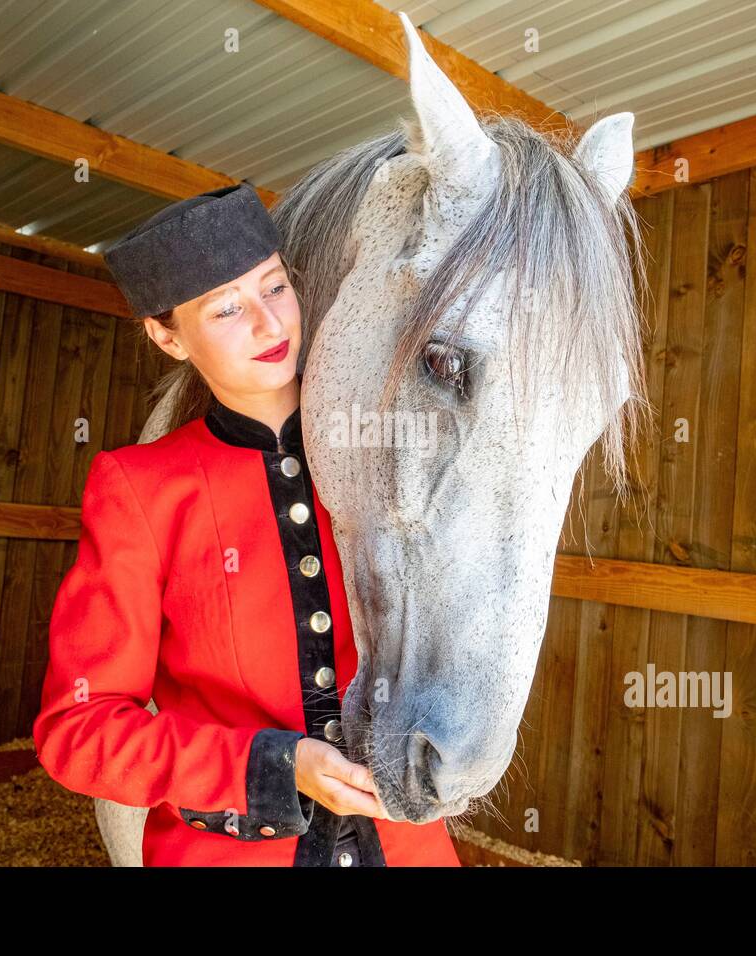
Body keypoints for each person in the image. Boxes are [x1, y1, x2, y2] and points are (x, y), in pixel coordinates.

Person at [32, 183, 460, 866]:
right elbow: (77, 732)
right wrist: (274, 763)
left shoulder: (391, 451)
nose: (269, 324)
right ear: (166, 336)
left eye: (275, 289)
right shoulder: (139, 489)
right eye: (227, 308)